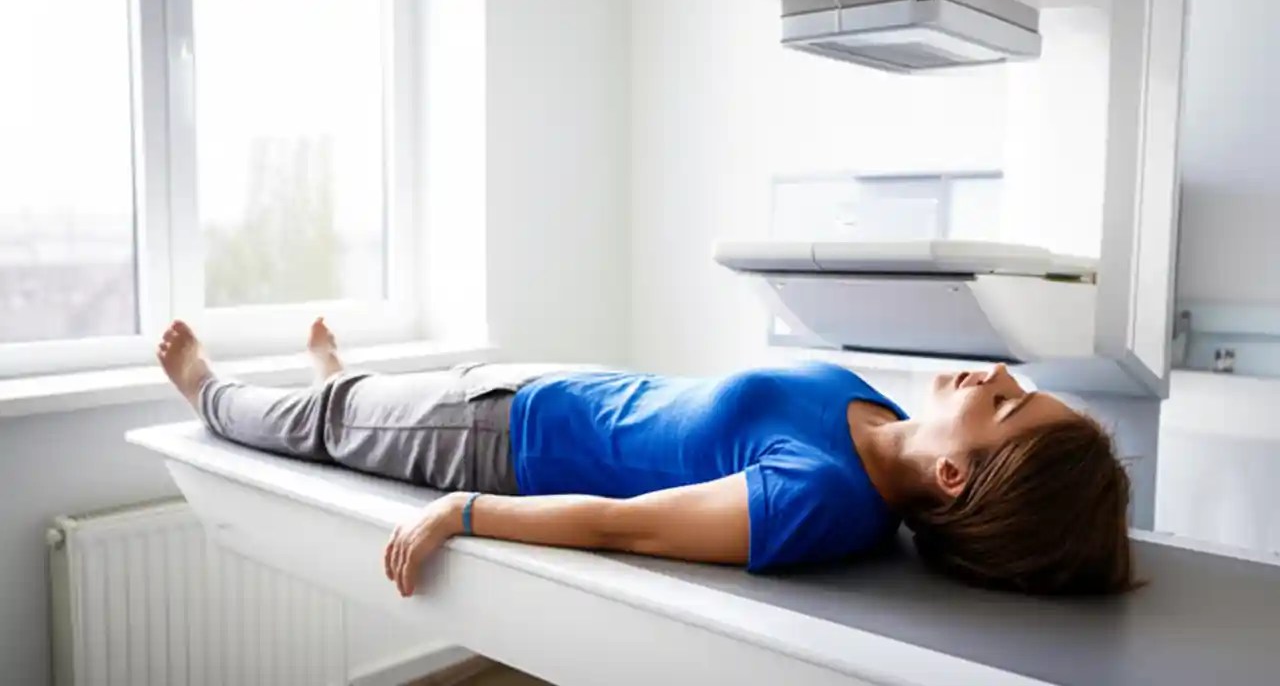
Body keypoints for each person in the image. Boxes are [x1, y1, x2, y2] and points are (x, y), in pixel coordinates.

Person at [156, 318, 1134, 598]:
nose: (994, 374)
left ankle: (210, 391)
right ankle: (340, 377)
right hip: (550, 385)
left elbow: (620, 525)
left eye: (1002, 403)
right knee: (349, 405)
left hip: (505, 443)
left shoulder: (818, 500)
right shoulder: (870, 411)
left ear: (953, 476)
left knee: (322, 425)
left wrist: (456, 512)